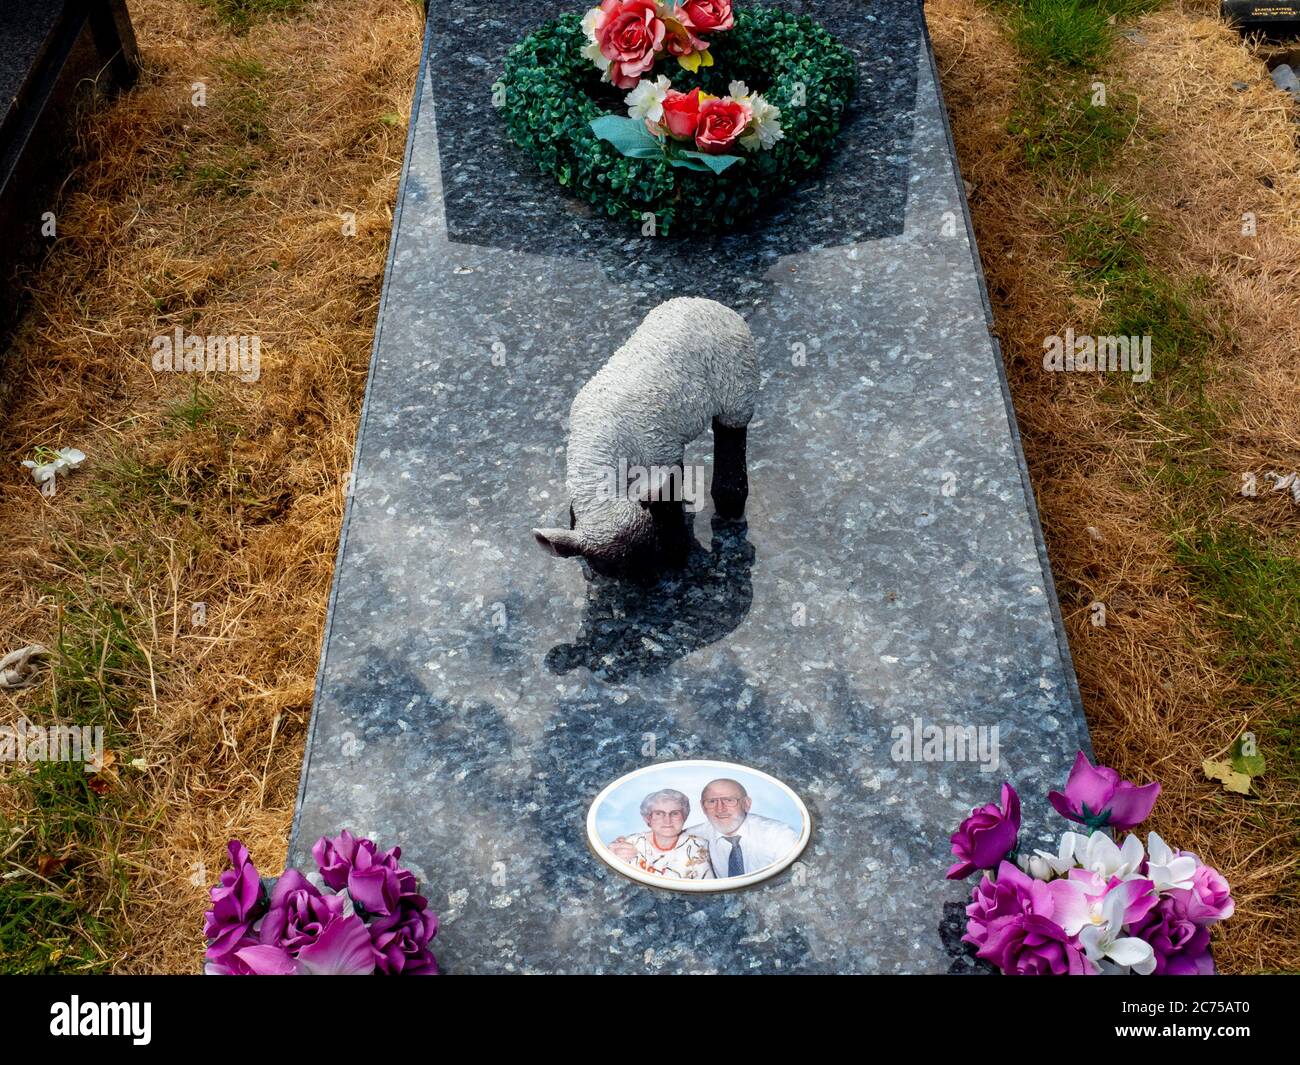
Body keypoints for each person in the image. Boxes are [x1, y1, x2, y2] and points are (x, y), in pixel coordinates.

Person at [684, 778, 798, 878]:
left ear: (746, 804)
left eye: (729, 800)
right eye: (712, 801)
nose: (720, 809)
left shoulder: (779, 835)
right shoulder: (689, 838)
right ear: (703, 807)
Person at [609, 788, 714, 880]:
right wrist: (612, 857)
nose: (667, 820)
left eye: (675, 813)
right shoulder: (633, 842)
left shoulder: (699, 847)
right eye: (659, 813)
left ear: (684, 817)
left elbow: (706, 889)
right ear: (648, 818)